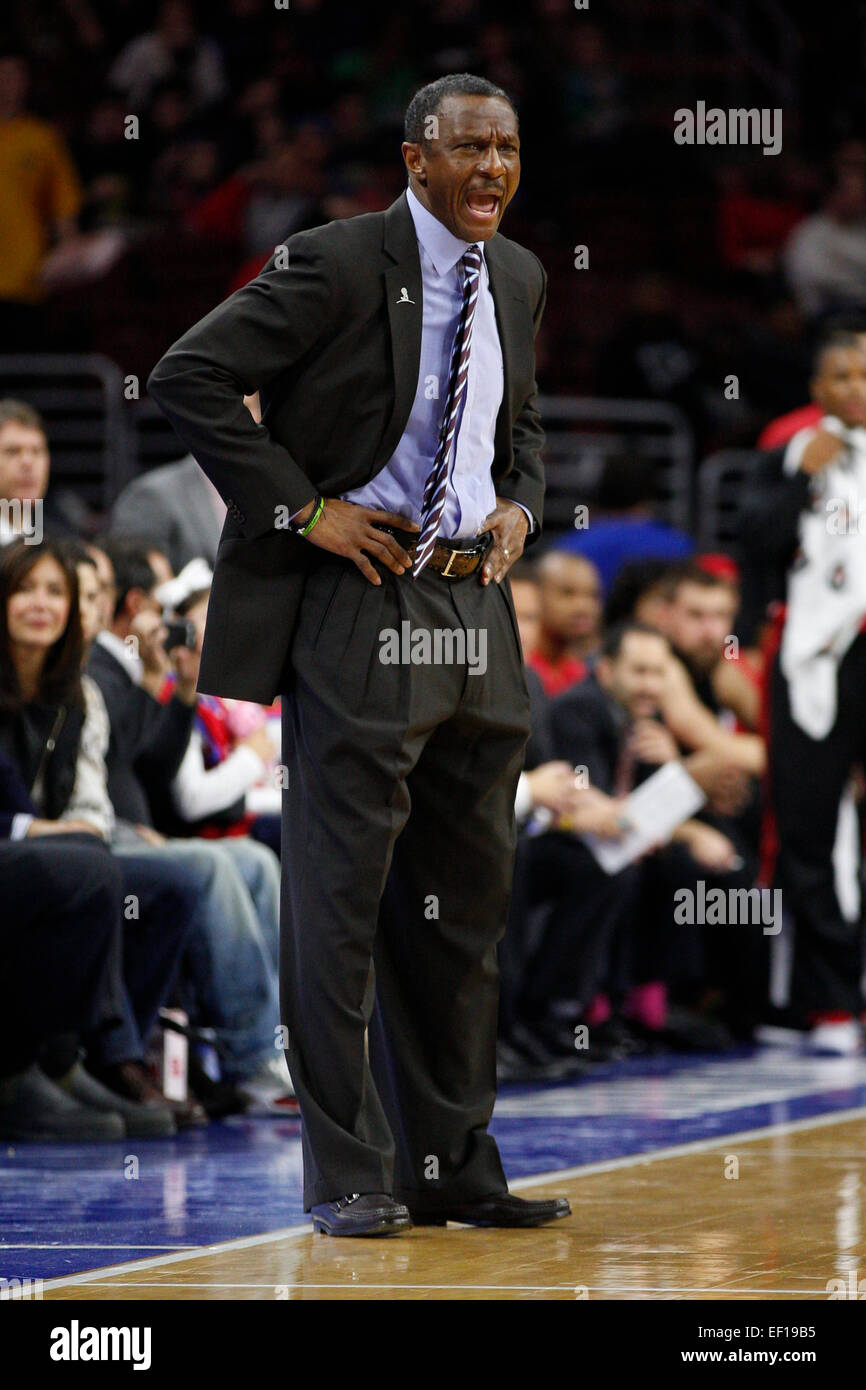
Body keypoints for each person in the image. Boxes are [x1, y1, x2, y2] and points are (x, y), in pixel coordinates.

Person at [148, 72, 570, 1236]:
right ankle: (346, 1172)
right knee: (339, 901)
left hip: (473, 609)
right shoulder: (334, 261)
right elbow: (188, 373)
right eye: (469, 148)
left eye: (508, 149)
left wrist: (519, 511)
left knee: (466, 907)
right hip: (359, 596)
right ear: (413, 159)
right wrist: (303, 511)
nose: (492, 168)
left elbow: (516, 432)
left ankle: (451, 1166)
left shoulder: (522, 276)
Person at [741, 328, 866, 1053]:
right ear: (817, 389)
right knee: (808, 827)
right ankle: (830, 1004)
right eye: (840, 376)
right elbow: (753, 543)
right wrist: (797, 483)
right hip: (812, 658)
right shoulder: (790, 449)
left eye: (864, 374)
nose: (854, 386)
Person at [527, 550, 601, 697]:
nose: (584, 607)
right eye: (568, 593)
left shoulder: (585, 673)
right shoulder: (515, 667)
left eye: (592, 595)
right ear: (535, 594)